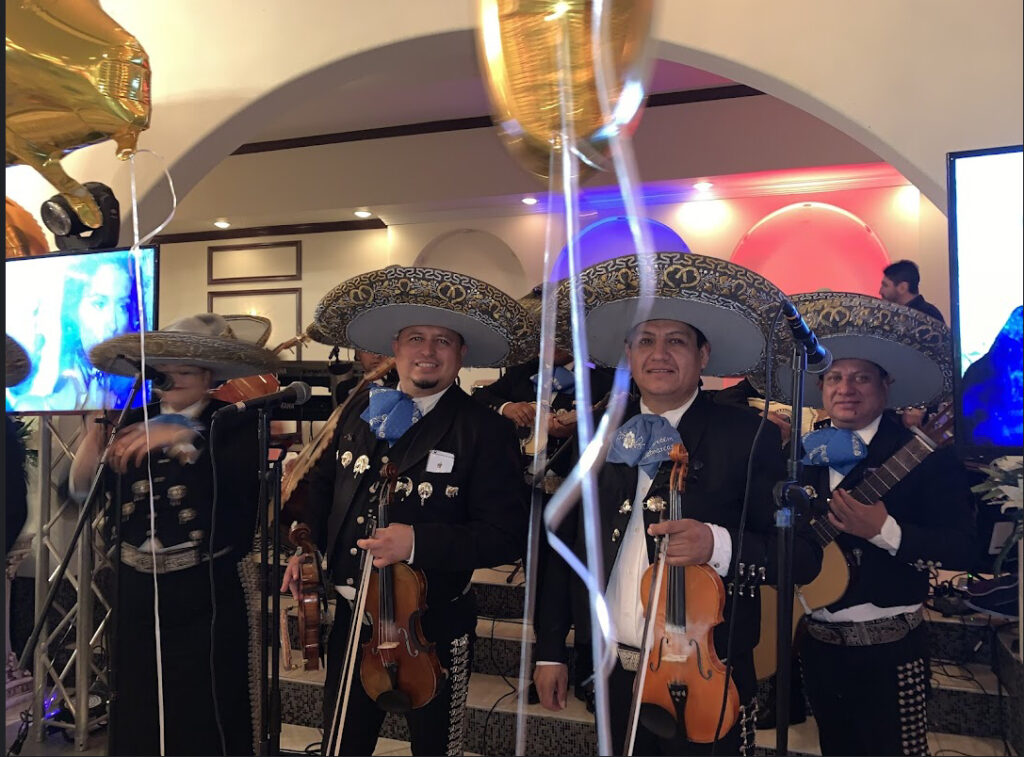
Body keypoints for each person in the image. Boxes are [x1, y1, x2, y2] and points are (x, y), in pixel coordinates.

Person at [532, 252, 824, 756]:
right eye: (645, 341)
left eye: (676, 341)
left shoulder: (748, 436)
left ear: (703, 355)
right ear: (628, 354)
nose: (659, 354)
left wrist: (719, 543)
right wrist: (551, 651)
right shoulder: (595, 440)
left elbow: (802, 557)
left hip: (711, 673)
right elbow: (564, 550)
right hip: (611, 673)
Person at [280, 265, 533, 756]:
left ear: (461, 354)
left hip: (433, 628)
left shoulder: (484, 430)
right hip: (356, 623)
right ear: (395, 348)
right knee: (342, 745)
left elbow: (505, 534)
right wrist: (304, 546)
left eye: (443, 341)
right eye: (416, 338)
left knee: (435, 750)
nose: (427, 351)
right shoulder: (357, 410)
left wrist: (417, 543)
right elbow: (321, 489)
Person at [69, 313, 280, 756]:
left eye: (187, 368)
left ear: (210, 376)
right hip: (135, 585)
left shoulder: (237, 421)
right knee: (136, 698)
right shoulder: (133, 419)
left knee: (204, 704)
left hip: (202, 587)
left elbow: (241, 489)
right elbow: (79, 491)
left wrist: (181, 431)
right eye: (167, 368)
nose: (175, 377)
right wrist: (95, 431)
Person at [777, 292, 976, 757]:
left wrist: (887, 531)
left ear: (886, 386)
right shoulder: (801, 456)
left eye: (861, 378)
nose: (845, 388)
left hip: (893, 651)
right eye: (834, 378)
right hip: (819, 646)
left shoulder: (925, 455)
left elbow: (964, 549)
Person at [879, 259, 945, 323]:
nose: (880, 291)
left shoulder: (926, 316)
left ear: (903, 287)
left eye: (885, 285)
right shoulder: (894, 312)